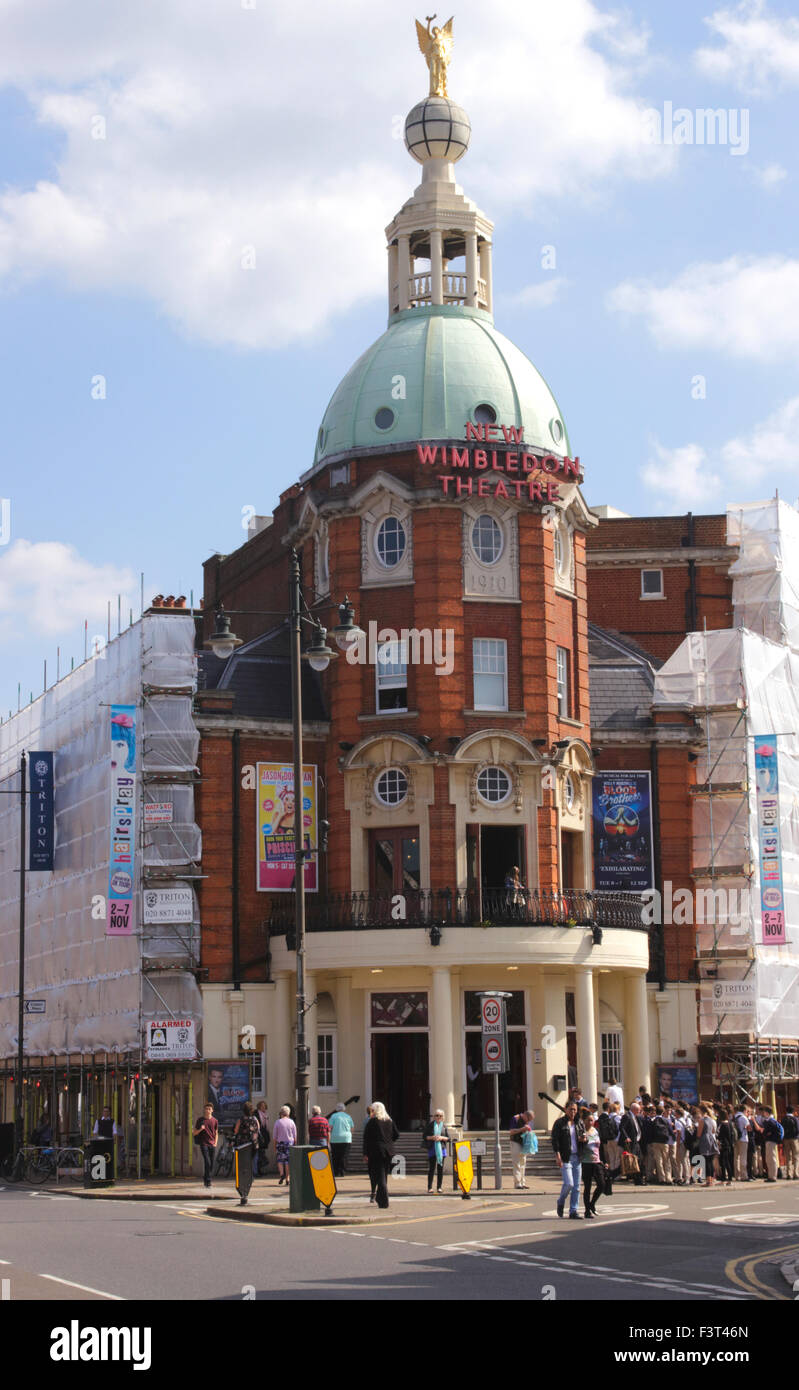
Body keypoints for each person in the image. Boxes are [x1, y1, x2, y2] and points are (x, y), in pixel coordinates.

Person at [362, 1101, 399, 1210]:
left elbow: (366, 1139)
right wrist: (388, 1142)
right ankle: (381, 1197)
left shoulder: (372, 1122)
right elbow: (397, 1134)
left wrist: (365, 1153)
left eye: (372, 1110)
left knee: (380, 1176)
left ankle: (383, 1201)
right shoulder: (389, 1121)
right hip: (389, 1151)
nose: (371, 1112)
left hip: (376, 1152)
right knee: (384, 1174)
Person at [551, 1101, 583, 1218]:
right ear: (565, 1109)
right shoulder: (560, 1123)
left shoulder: (579, 1123)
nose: (573, 1112)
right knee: (569, 1183)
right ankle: (561, 1201)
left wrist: (584, 1140)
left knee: (577, 1187)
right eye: (571, 1109)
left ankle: (573, 1211)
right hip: (566, 1157)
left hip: (577, 1156)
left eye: (575, 1109)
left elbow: (584, 1137)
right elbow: (555, 1139)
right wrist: (557, 1155)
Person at [579, 1107, 606, 1219]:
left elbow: (601, 1147)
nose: (591, 1122)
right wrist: (583, 1141)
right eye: (589, 1120)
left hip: (597, 1161)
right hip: (586, 1162)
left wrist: (605, 1161)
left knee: (601, 1184)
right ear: (584, 1121)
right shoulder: (581, 1132)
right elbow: (579, 1147)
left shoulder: (595, 1130)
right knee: (588, 1187)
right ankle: (587, 1211)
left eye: (592, 1120)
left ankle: (592, 1204)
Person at [232, 1101, 260, 1205]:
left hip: (242, 1146)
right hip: (253, 1146)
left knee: (242, 1166)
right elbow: (259, 1129)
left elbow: (236, 1130)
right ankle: (250, 1178)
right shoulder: (255, 1119)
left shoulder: (241, 1119)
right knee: (251, 1164)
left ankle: (243, 1185)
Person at [423, 1109, 449, 1194]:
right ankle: (430, 1187)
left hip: (441, 1150)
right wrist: (432, 1137)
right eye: (437, 1115)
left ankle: (439, 1187)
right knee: (431, 1169)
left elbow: (448, 1138)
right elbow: (424, 1136)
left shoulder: (444, 1127)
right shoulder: (430, 1125)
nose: (438, 1117)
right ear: (434, 1117)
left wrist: (441, 1138)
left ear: (443, 1117)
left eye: (440, 1116)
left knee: (440, 1169)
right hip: (432, 1149)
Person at [618, 1101, 644, 1186]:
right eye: (638, 1110)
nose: (639, 1112)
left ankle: (639, 1179)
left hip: (637, 1142)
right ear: (634, 1109)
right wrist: (626, 1137)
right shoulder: (627, 1116)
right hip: (631, 1143)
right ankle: (637, 1180)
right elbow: (622, 1127)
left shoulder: (635, 1117)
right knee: (633, 1161)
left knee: (639, 1160)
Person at [193, 1102, 218, 1188]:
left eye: (209, 1109)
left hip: (212, 1144)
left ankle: (206, 1177)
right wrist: (200, 1129)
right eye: (206, 1109)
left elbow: (216, 1133)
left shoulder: (215, 1121)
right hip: (203, 1143)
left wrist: (215, 1143)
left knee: (211, 1163)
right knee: (207, 1161)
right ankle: (208, 1181)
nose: (207, 1110)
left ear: (212, 1110)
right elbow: (194, 1133)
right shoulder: (200, 1120)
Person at [509, 1109, 536, 1189]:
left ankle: (522, 1182)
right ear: (525, 1115)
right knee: (516, 1163)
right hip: (515, 1142)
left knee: (523, 1163)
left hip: (523, 1143)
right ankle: (517, 1184)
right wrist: (522, 1129)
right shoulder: (515, 1118)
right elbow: (511, 1132)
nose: (529, 1121)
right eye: (529, 1119)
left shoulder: (526, 1121)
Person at [273, 1105, 297, 1186]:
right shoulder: (292, 1122)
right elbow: (294, 1135)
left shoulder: (278, 1122)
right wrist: (295, 1144)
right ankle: (287, 1178)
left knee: (280, 1160)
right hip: (289, 1143)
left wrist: (274, 1146)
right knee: (287, 1162)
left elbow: (275, 1136)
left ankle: (281, 1174)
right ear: (288, 1113)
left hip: (280, 1143)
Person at [329, 1102, 355, 1176]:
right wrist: (350, 1135)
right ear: (344, 1109)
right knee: (344, 1156)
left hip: (335, 1139)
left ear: (337, 1109)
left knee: (335, 1156)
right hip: (346, 1139)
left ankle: (336, 1171)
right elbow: (352, 1128)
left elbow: (330, 1127)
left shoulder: (333, 1116)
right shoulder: (348, 1116)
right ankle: (343, 1171)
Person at [696, 1104, 719, 1186]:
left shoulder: (702, 1120)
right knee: (710, 1160)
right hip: (711, 1139)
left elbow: (698, 1134)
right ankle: (711, 1180)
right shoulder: (711, 1119)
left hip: (704, 1140)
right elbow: (713, 1131)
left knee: (706, 1161)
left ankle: (708, 1181)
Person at [760, 1106, 784, 1182]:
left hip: (771, 1141)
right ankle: (770, 1175)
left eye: (763, 1112)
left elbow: (776, 1131)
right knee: (769, 1159)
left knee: (771, 1159)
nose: (762, 1113)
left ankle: (773, 1176)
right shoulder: (768, 1121)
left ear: (767, 1112)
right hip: (769, 1141)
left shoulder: (771, 1121)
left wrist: (769, 1134)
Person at [717, 1105, 736, 1186]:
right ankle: (729, 1178)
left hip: (723, 1145)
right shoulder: (730, 1124)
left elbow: (720, 1136)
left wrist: (718, 1139)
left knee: (723, 1162)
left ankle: (724, 1178)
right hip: (729, 1144)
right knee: (728, 1162)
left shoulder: (722, 1125)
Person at [733, 1102, 750, 1182]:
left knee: (736, 1158)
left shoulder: (734, 1116)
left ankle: (737, 1175)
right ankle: (744, 1175)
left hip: (735, 1139)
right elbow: (749, 1128)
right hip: (743, 1138)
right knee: (743, 1157)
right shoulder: (743, 1117)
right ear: (745, 1110)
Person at [782, 1103, 799, 1180]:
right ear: (793, 1111)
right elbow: (798, 1129)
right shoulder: (795, 1119)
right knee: (796, 1156)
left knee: (788, 1156)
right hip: (794, 1139)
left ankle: (789, 1174)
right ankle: (796, 1173)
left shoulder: (783, 1119)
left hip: (786, 1139)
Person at [254, 1100, 270, 1177]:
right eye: (262, 1106)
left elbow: (266, 1127)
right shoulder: (256, 1114)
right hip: (258, 1137)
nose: (264, 1108)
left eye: (264, 1106)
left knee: (261, 1154)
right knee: (259, 1154)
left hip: (264, 1137)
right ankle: (257, 1170)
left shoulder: (265, 1115)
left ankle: (260, 1170)